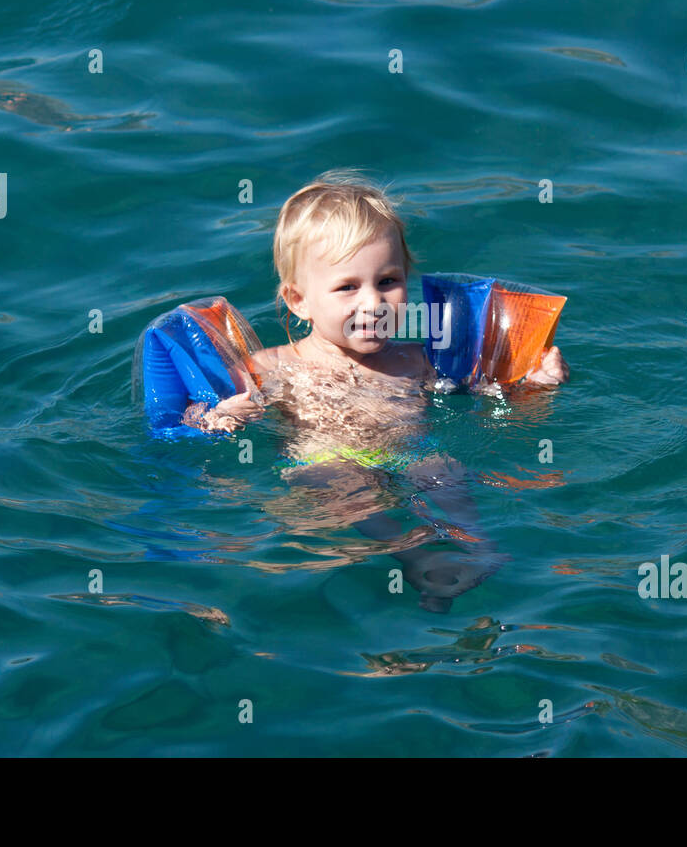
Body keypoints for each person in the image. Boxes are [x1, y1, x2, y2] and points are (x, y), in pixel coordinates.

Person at [200, 169, 569, 610]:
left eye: (388, 281)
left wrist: (535, 387)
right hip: (325, 460)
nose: (373, 303)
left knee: (442, 468)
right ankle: (417, 557)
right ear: (298, 300)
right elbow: (209, 416)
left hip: (410, 452)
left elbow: (491, 399)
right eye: (347, 287)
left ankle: (479, 548)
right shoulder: (272, 365)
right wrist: (220, 417)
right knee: (338, 479)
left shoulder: (416, 360)